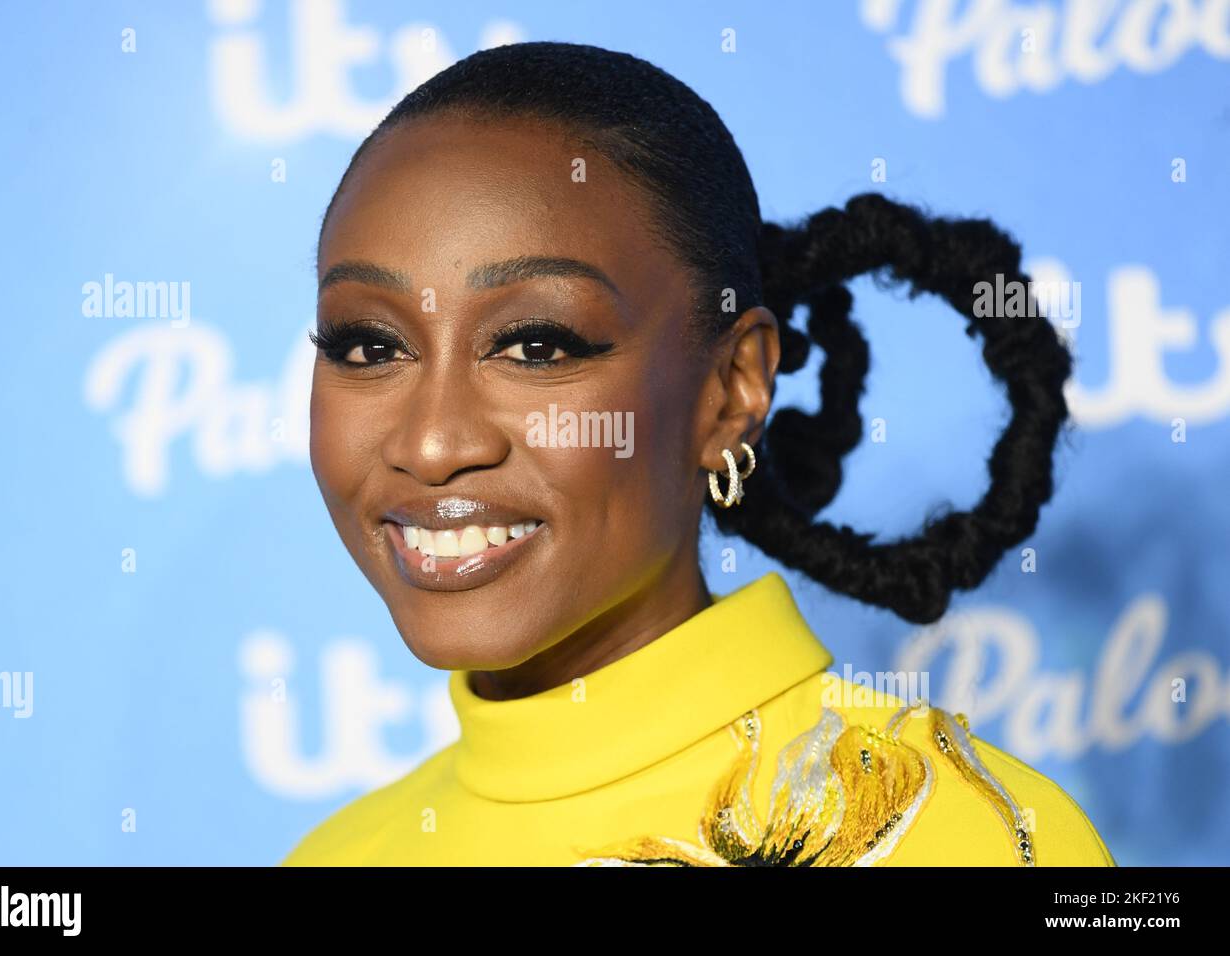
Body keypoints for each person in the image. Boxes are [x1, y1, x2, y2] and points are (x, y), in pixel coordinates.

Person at [283, 41, 1114, 866]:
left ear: (732, 389)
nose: (432, 444)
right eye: (367, 347)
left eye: (537, 346)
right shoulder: (336, 856)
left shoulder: (972, 838)